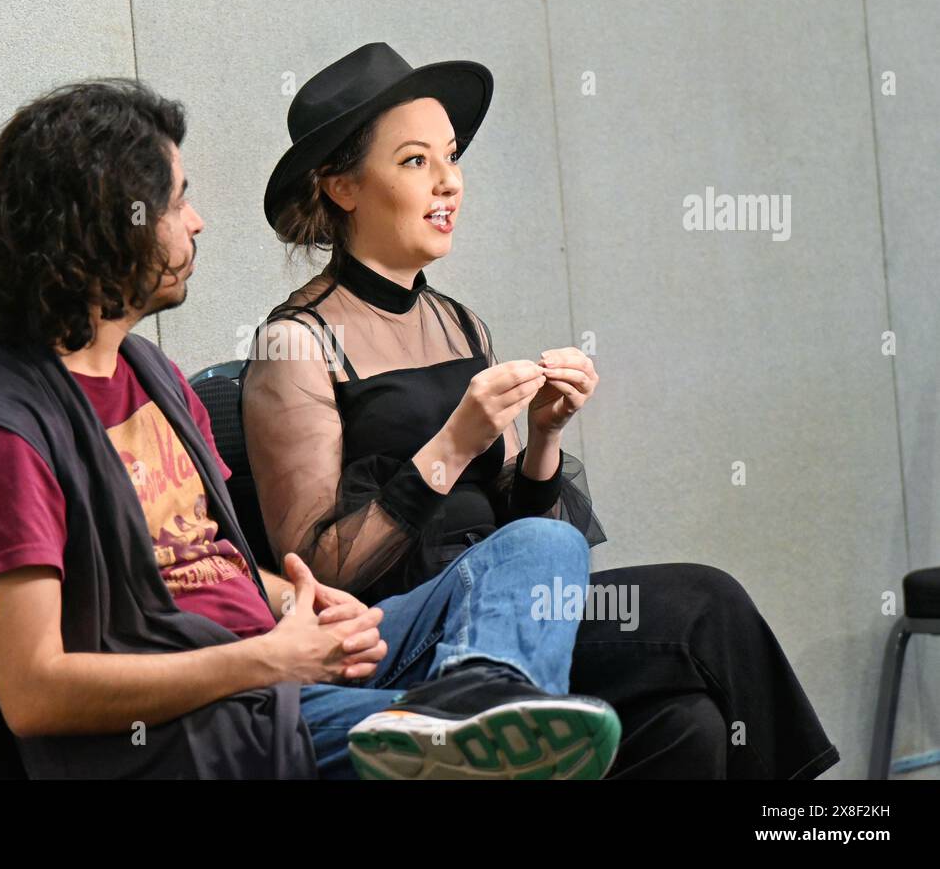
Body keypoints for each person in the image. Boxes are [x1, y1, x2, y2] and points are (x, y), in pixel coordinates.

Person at [0, 77, 621, 780]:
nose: (196, 222)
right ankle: (466, 734)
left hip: (274, 676)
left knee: (540, 544)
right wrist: (268, 658)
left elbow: (208, 561)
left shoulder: (147, 372)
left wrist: (299, 602)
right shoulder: (0, 436)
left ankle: (480, 704)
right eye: (176, 200)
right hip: (205, 734)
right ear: (103, 224)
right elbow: (33, 693)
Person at [242, 41, 841, 780]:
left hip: (520, 615)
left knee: (688, 726)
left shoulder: (461, 324)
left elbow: (524, 527)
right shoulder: (294, 342)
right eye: (414, 162)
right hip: (414, 632)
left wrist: (544, 440)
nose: (448, 183)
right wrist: (451, 446)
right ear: (341, 187)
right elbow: (319, 568)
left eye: (451, 158)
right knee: (706, 603)